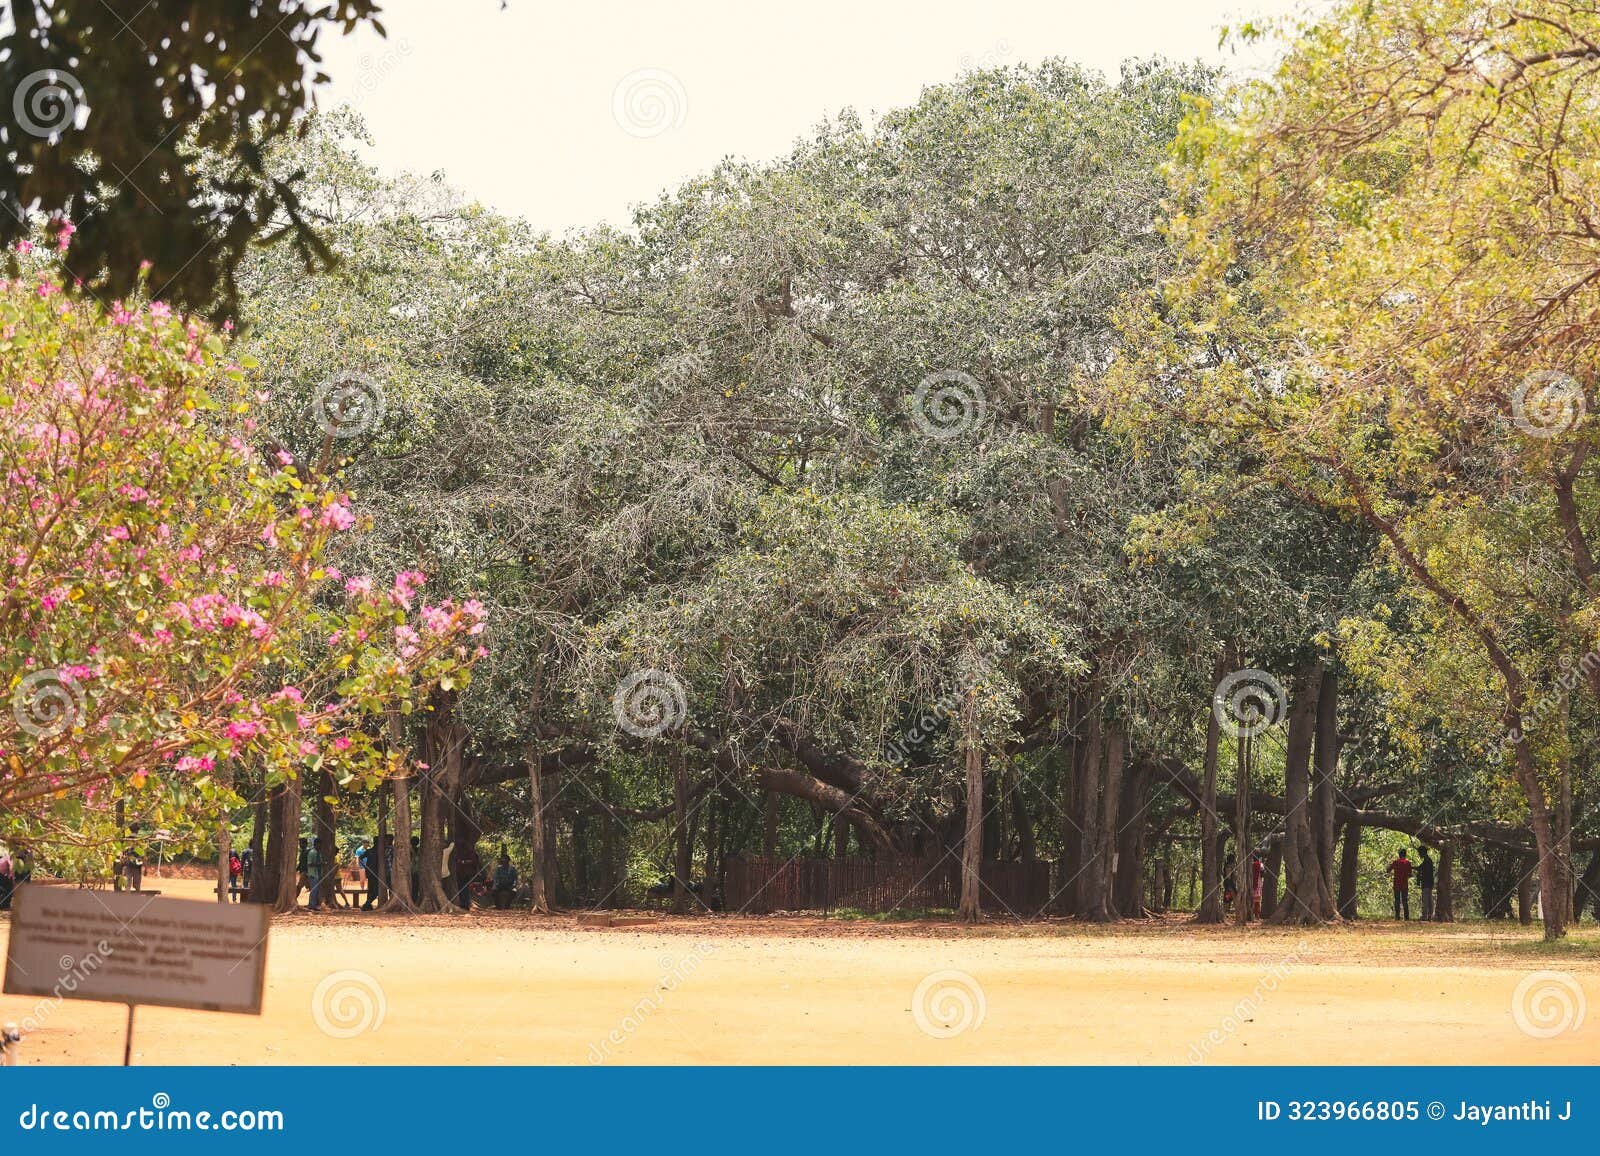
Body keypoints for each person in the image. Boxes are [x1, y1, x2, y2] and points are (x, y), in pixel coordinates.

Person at [1386, 846, 1413, 920]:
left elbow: (1388, 870)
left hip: (1396, 884)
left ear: (1399, 854)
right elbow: (1410, 875)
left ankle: (1397, 916)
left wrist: (1389, 866)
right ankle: (1406, 917)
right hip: (1404, 884)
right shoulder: (1407, 863)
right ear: (1405, 854)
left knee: (1397, 900)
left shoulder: (1395, 862)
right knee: (1405, 900)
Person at [361, 836, 382, 911]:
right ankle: (367, 904)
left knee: (370, 889)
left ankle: (368, 905)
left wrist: (365, 866)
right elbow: (360, 858)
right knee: (375, 890)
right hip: (376, 872)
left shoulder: (369, 851)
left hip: (370, 872)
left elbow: (360, 858)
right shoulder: (379, 851)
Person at [1417, 845, 1437, 921]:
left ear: (1422, 852)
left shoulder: (1427, 861)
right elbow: (1420, 868)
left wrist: (1420, 877)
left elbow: (1425, 872)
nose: (1419, 854)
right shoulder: (1427, 860)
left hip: (1426, 883)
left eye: (1419, 853)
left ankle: (1425, 916)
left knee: (1426, 900)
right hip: (1429, 883)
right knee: (1429, 899)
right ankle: (1429, 915)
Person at [306, 838, 324, 911]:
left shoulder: (318, 852)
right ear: (316, 844)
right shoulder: (312, 852)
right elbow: (309, 864)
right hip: (313, 874)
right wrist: (319, 864)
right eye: (320, 844)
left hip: (317, 874)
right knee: (314, 890)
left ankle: (314, 904)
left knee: (316, 890)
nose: (321, 846)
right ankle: (311, 905)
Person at [1250, 852, 1265, 919]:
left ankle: (1251, 914)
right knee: (1257, 900)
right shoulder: (1260, 865)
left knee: (1252, 899)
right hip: (1258, 883)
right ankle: (1257, 915)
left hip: (1251, 883)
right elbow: (1262, 874)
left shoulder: (1251, 865)